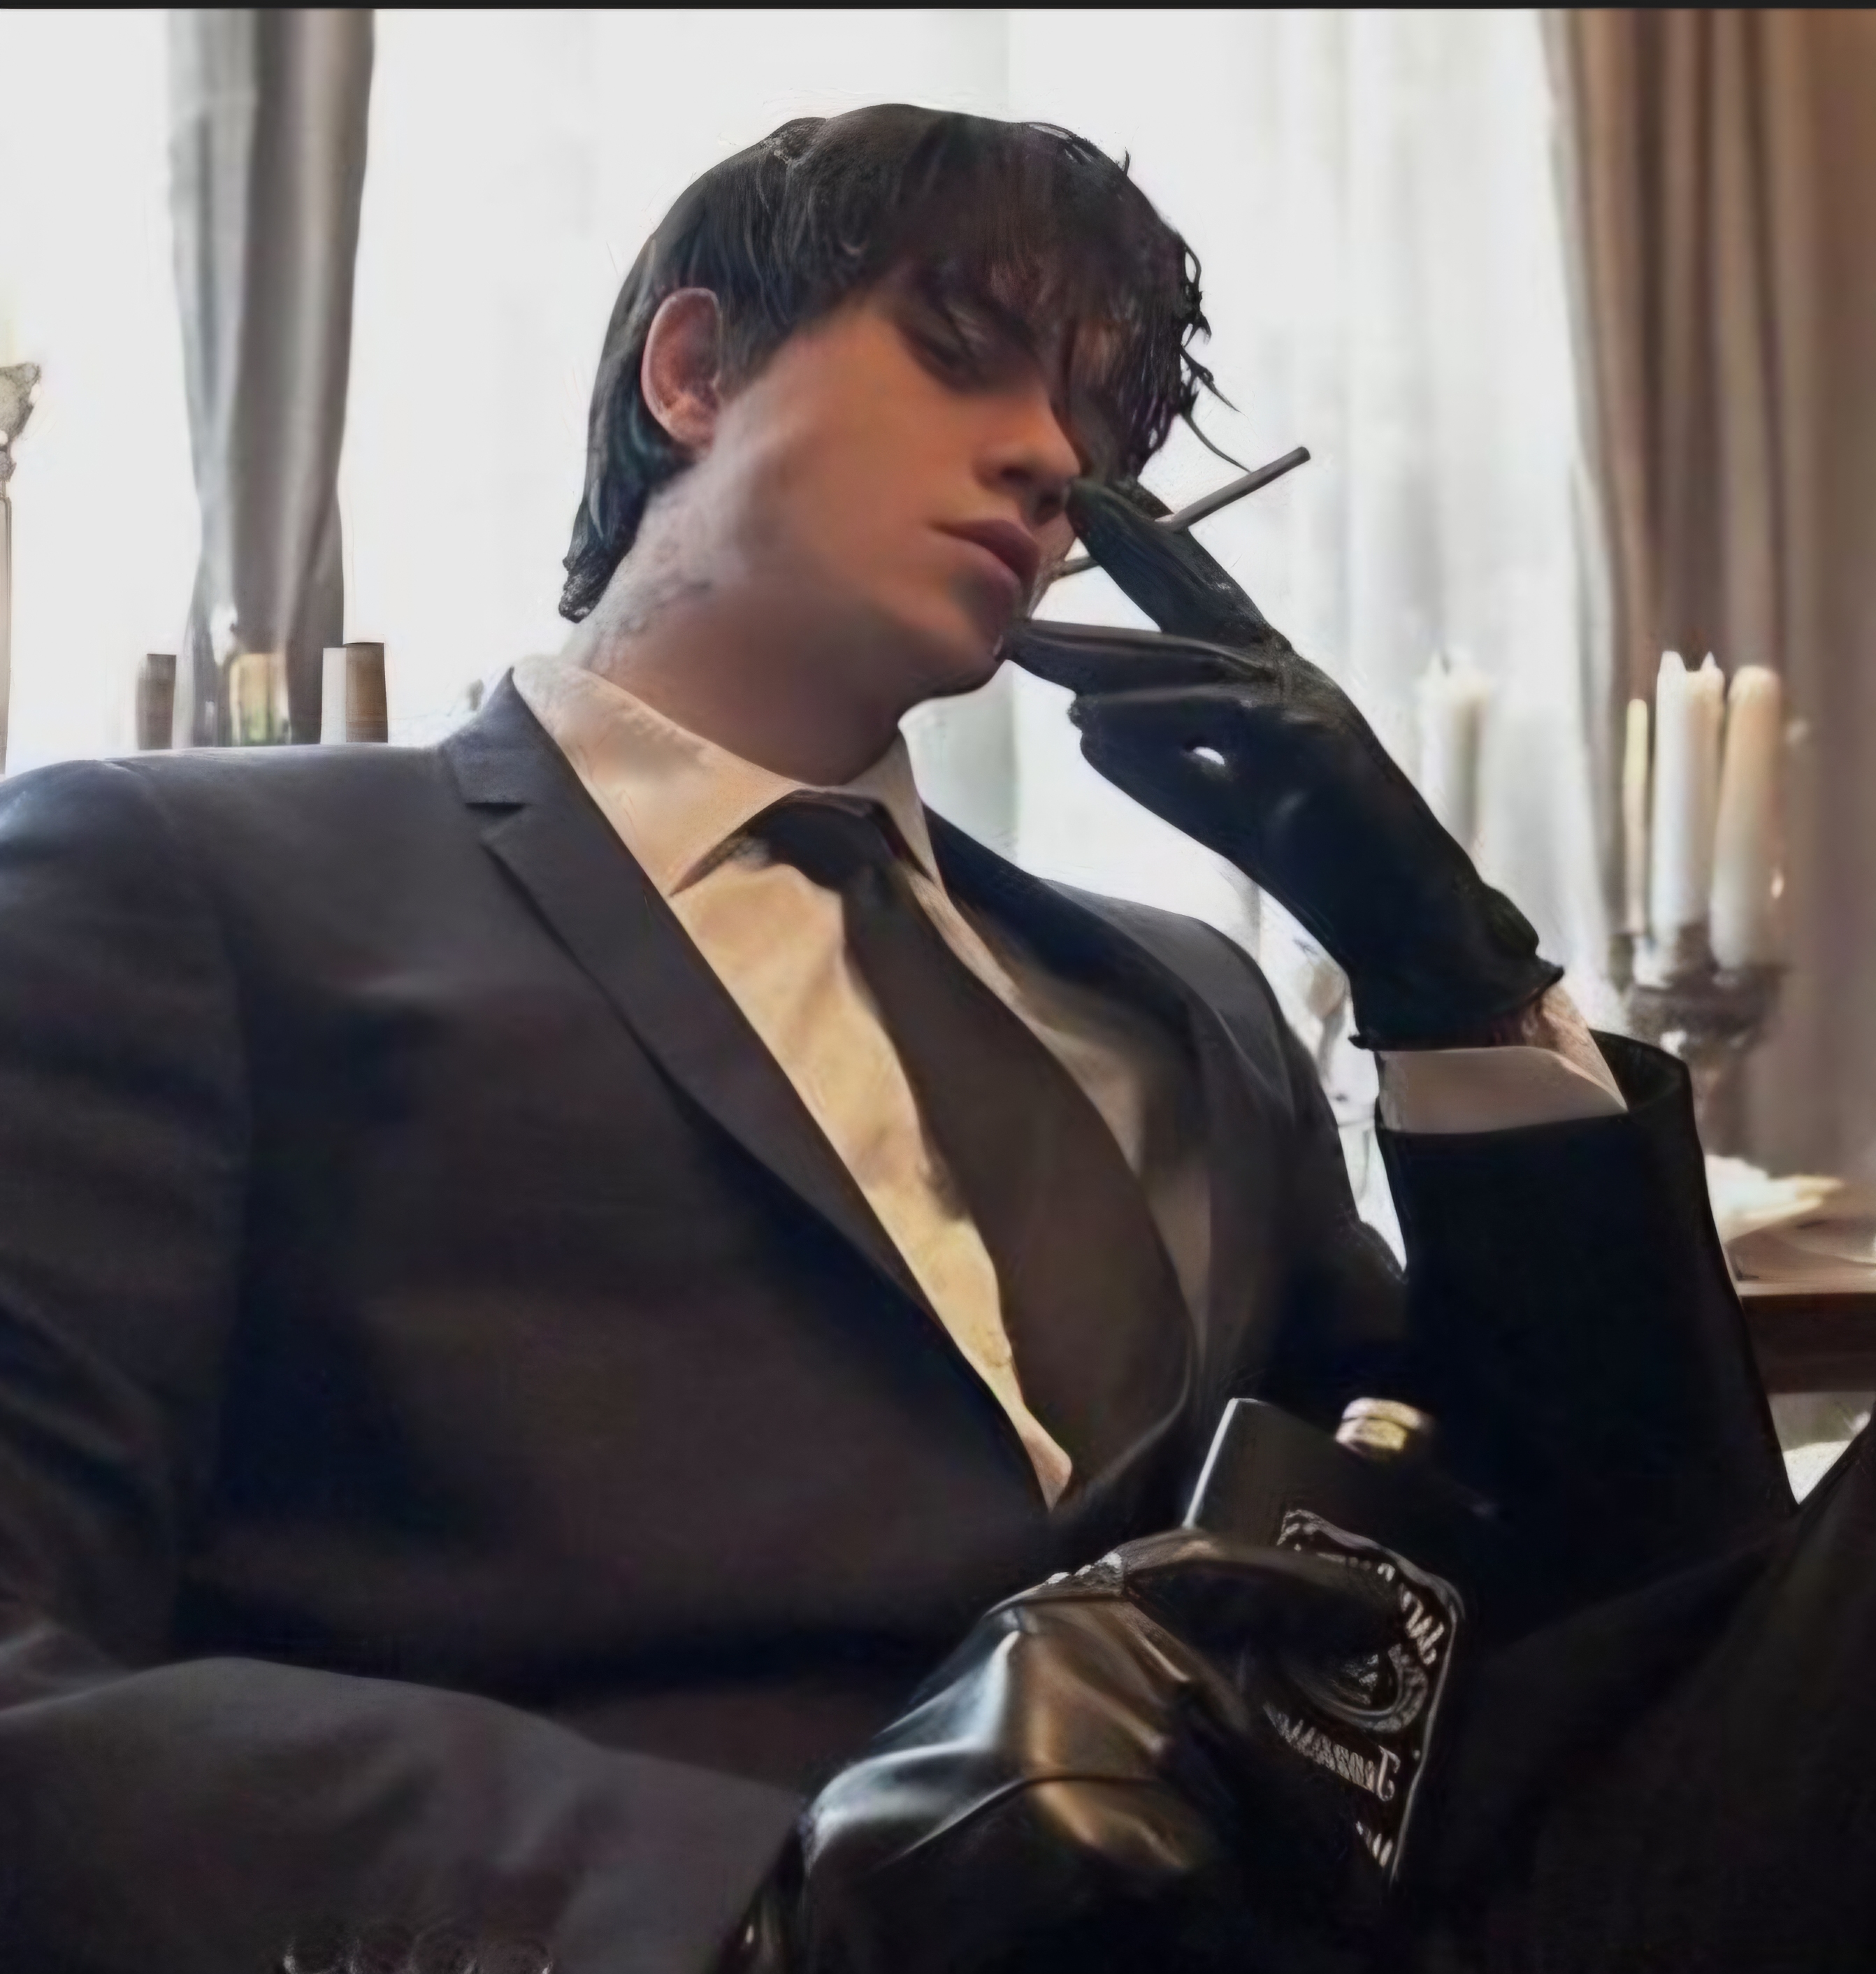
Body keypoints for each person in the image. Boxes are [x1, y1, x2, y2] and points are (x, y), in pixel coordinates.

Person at [0, 106, 1792, 1974]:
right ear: (694, 372)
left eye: (1098, 427)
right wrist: (773, 1903)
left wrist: (1453, 979)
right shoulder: (186, 889)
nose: (1051, 460)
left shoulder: (1179, 998)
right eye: (962, 354)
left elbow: (1645, 1594)